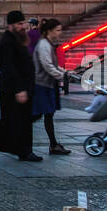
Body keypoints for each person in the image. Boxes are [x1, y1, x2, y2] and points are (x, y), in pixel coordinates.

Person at [0, 10, 41, 162]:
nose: (23, 26)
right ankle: (24, 151)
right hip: (12, 89)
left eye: (23, 23)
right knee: (16, 121)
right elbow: (8, 67)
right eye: (19, 24)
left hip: (21, 87)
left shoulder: (17, 39)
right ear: (11, 25)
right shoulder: (7, 41)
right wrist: (19, 89)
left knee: (17, 120)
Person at [32, 18, 70, 155]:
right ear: (49, 31)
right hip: (41, 84)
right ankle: (13, 135)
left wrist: (64, 72)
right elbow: (46, 65)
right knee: (37, 115)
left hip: (47, 84)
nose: (60, 33)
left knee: (47, 114)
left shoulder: (48, 44)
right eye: (58, 30)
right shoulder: (44, 44)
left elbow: (52, 65)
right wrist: (61, 76)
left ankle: (53, 145)